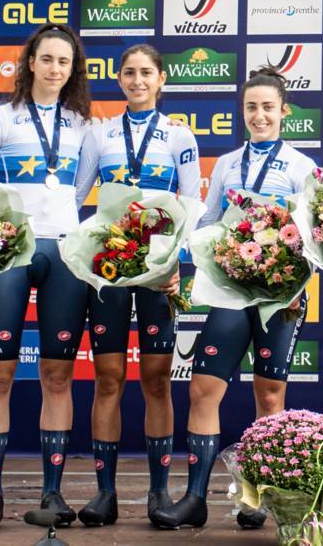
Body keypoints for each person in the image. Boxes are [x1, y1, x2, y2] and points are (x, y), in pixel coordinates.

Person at [151, 67, 316, 530]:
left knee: (270, 395)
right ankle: (195, 498)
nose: (259, 116)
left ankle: (262, 498)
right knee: (203, 388)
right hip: (230, 292)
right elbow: (208, 225)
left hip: (280, 295)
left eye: (267, 107)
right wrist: (187, 253)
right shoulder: (225, 163)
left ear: (285, 111)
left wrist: (295, 278)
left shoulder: (304, 168)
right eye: (251, 107)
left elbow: (314, 236)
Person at [0, 23, 93, 528]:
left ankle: (53, 494)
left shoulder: (83, 125)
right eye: (47, 59)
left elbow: (80, 189)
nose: (55, 69)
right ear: (30, 63)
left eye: (64, 62)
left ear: (72, 69)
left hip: (64, 250)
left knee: (57, 375)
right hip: (9, 251)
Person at [72, 44, 200, 527]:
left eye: (147, 72)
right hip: (108, 269)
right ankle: (104, 495)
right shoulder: (99, 134)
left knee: (156, 381)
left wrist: (176, 264)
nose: (138, 80)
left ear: (162, 79)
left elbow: (192, 206)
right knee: (107, 379)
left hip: (159, 270)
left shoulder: (178, 135)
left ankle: (158, 492)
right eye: (129, 73)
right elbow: (78, 196)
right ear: (120, 79)